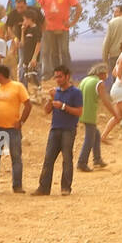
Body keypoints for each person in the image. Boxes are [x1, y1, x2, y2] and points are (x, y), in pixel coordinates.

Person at [33, 64, 82, 195]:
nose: (58, 79)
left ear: (67, 76)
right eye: (56, 77)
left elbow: (79, 112)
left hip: (68, 129)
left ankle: (65, 188)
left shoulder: (76, 93)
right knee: (48, 158)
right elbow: (46, 111)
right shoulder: (56, 92)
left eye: (60, 77)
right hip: (55, 129)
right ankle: (43, 188)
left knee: (67, 159)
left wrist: (63, 106)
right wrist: (51, 99)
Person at [0, 63, 30, 192]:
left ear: (1, 74)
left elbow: (28, 105)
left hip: (13, 129)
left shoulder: (18, 87)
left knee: (16, 157)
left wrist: (21, 122)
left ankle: (17, 186)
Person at [35, 0, 79, 77]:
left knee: (64, 51)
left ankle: (67, 73)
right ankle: (56, 74)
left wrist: (73, 22)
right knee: (52, 52)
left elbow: (78, 7)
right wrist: (40, 23)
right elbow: (35, 8)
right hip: (48, 28)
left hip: (63, 28)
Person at [75, 63, 115, 172]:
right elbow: (105, 101)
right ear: (101, 74)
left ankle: (97, 159)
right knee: (90, 138)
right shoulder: (99, 83)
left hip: (81, 112)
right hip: (90, 114)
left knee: (96, 135)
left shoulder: (85, 80)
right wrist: (115, 113)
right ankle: (82, 162)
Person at [7, 0, 43, 88]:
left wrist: (34, 57)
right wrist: (15, 38)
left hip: (33, 46)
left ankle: (38, 89)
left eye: (21, 7)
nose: (19, 9)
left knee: (35, 70)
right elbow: (9, 28)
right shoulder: (13, 14)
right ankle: (23, 87)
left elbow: (38, 42)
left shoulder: (34, 14)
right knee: (22, 64)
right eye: (17, 7)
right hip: (22, 41)